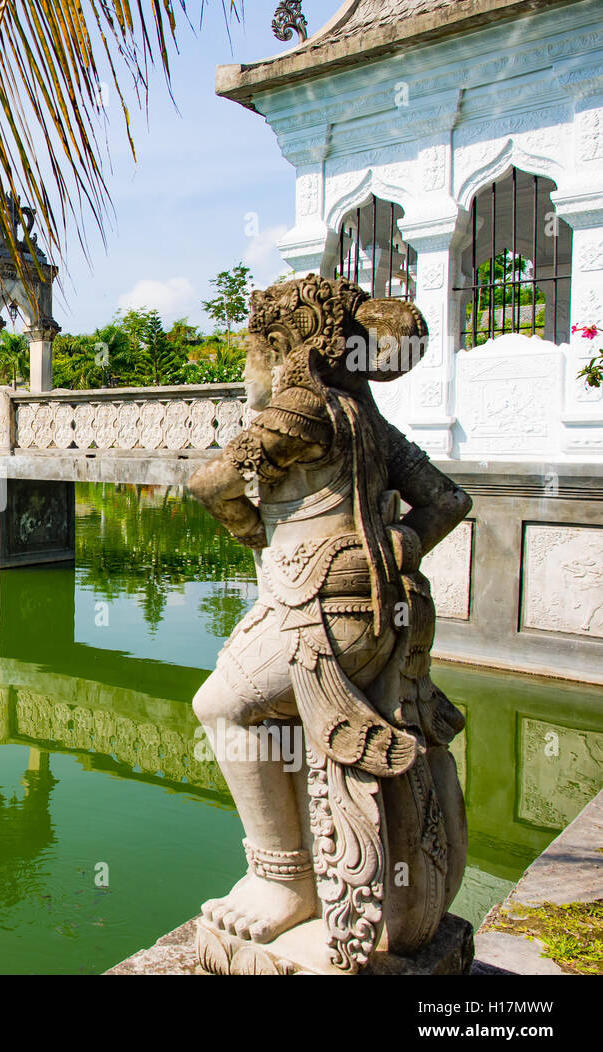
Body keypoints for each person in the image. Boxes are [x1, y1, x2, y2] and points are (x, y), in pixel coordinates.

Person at [188, 275, 471, 971]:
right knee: (271, 715)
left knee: (220, 705)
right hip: (381, 612)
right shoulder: (367, 418)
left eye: (253, 348)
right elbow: (447, 501)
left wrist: (251, 528)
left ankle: (282, 877)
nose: (246, 365)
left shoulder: (303, 408)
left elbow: (211, 481)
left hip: (318, 609)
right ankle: (318, 881)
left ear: (282, 346)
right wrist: (394, 545)